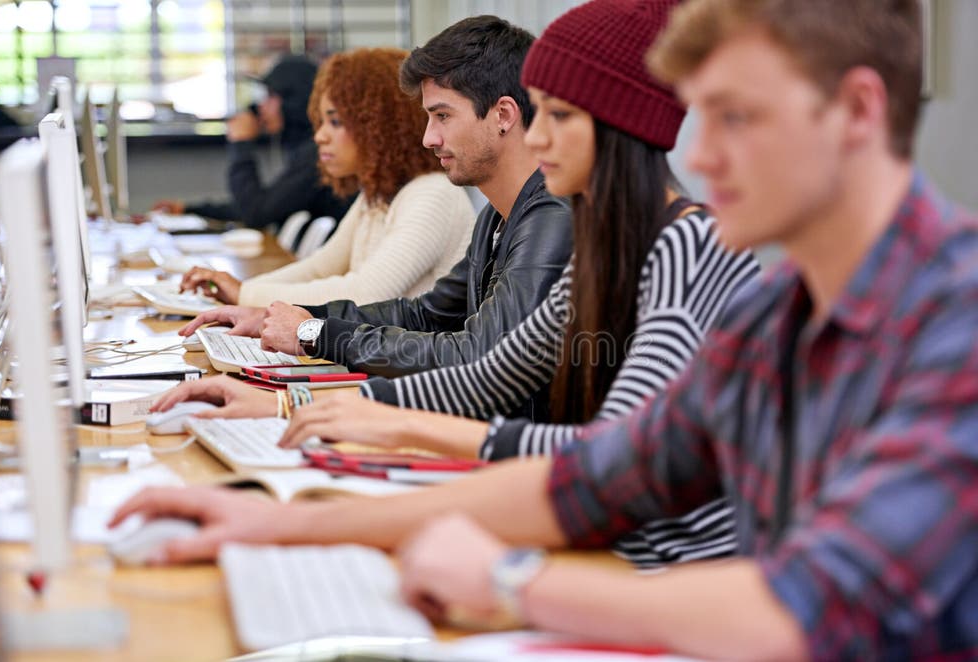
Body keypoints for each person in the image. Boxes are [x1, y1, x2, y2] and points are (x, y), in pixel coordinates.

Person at [115, 0, 978, 657]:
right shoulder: (778, 315)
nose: (702, 154)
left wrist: (509, 581)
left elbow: (806, 609)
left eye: (737, 118)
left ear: (859, 113)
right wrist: (270, 526)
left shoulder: (955, 322)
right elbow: (596, 476)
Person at [140, 0, 758, 572]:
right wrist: (297, 407)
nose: (536, 139)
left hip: (661, 567)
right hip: (605, 543)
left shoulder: (684, 244)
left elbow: (606, 465)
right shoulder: (605, 245)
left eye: (560, 116)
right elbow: (487, 378)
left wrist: (390, 428)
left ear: (622, 128)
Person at [177, 16, 575, 420]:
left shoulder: (551, 216)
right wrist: (295, 317)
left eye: (442, 116)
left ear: (504, 115)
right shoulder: (496, 216)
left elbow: (479, 356)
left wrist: (314, 335)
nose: (429, 138)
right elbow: (424, 314)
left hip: (516, 457)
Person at [178, 48, 476, 308]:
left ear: (379, 124)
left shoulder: (432, 194)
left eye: (335, 122)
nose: (320, 136)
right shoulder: (379, 194)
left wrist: (245, 294)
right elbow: (321, 269)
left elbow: (364, 293)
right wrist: (238, 292)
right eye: (321, 123)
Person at [153, 55, 354, 236]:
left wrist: (241, 144)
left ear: (293, 100)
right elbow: (264, 204)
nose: (262, 106)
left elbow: (256, 213)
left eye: (270, 96)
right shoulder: (303, 148)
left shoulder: (318, 154)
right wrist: (190, 209)